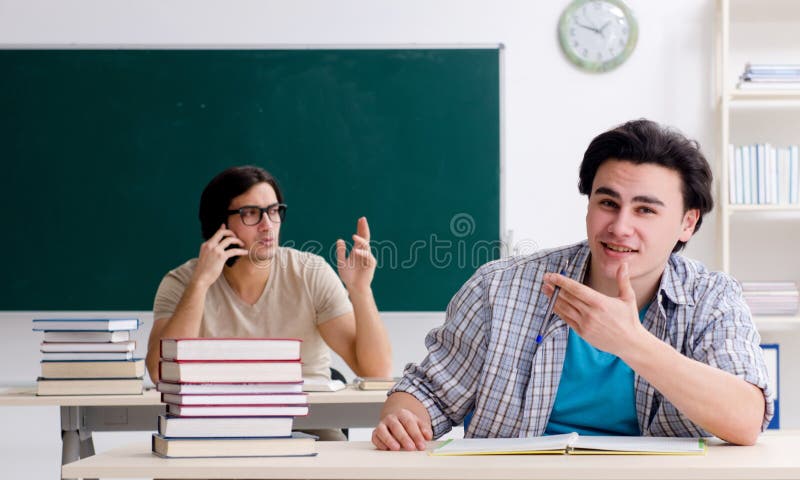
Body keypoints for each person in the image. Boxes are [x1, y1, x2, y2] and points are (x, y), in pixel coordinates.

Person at [372, 119, 773, 450]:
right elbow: (427, 393)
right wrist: (402, 420)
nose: (619, 227)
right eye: (607, 203)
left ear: (688, 222)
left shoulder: (712, 298)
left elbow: (745, 420)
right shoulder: (500, 288)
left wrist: (630, 342)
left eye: (645, 210)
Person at [147, 165, 392, 440]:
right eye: (251, 213)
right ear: (220, 224)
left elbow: (376, 372)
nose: (267, 225)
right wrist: (200, 284)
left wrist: (360, 290)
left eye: (274, 211)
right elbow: (160, 374)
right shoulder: (182, 282)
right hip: (214, 425)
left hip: (306, 423)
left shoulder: (309, 272)